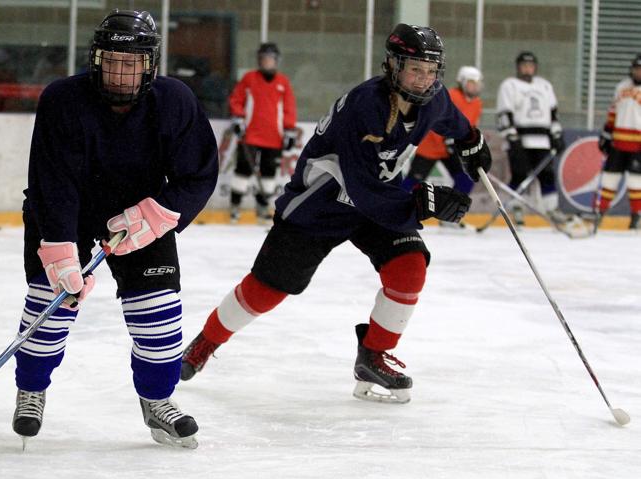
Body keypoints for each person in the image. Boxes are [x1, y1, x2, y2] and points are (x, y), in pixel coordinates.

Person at [179, 24, 491, 404]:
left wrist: (470, 140)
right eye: (415, 69)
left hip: (375, 202)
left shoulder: (433, 99)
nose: (424, 80)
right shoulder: (366, 106)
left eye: (431, 71)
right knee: (268, 288)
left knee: (409, 268)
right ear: (393, 66)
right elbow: (363, 189)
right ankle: (205, 343)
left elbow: (454, 123)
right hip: (320, 205)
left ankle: (373, 356)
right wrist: (423, 203)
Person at [12, 10, 218, 449]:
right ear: (96, 58)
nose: (122, 73)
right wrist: (61, 250)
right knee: (49, 304)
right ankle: (31, 389)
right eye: (113, 60)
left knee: (160, 317)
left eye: (133, 63)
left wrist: (158, 214)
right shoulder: (62, 100)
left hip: (139, 216)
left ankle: (158, 400)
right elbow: (52, 181)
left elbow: (198, 174)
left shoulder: (175, 101)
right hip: (64, 211)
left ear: (151, 65)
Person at [401, 65, 484, 229]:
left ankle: (448, 215)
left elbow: (470, 128)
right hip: (430, 146)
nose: (474, 87)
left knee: (465, 179)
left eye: (477, 83)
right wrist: (447, 139)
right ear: (462, 82)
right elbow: (438, 119)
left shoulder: (477, 103)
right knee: (412, 181)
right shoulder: (451, 96)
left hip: (451, 150)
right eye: (471, 83)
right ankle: (395, 209)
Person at [227, 42, 297, 224]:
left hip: (274, 138)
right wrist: (238, 118)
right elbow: (236, 99)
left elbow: (289, 108)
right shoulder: (249, 78)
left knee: (268, 175)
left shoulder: (283, 82)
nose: (266, 62)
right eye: (264, 59)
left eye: (270, 59)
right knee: (242, 171)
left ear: (276, 61)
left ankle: (262, 208)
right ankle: (235, 207)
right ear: (259, 60)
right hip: (249, 136)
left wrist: (289, 130)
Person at [496, 51, 566, 225]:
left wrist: (556, 134)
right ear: (518, 67)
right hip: (520, 139)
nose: (527, 69)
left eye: (530, 66)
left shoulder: (545, 86)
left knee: (547, 175)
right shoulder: (509, 85)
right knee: (520, 176)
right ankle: (517, 209)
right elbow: (504, 113)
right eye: (524, 66)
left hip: (543, 140)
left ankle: (552, 209)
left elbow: (553, 114)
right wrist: (512, 137)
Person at [596, 54, 641, 231]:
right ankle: (599, 213)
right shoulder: (621, 87)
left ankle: (636, 216)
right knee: (609, 179)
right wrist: (607, 133)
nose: (638, 72)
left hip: (638, 144)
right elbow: (613, 112)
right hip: (618, 143)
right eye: (636, 69)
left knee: (636, 182)